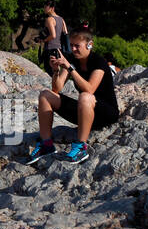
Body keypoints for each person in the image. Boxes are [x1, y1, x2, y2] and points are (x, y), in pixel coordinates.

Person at [24, 29, 120, 164]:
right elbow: (56, 89)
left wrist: (70, 68)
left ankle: (81, 146)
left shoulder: (99, 62)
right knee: (45, 95)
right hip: (85, 112)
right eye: (72, 45)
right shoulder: (72, 59)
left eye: (77, 46)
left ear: (89, 45)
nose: (73, 49)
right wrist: (56, 71)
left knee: (85, 96)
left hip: (106, 113)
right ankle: (46, 145)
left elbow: (90, 89)